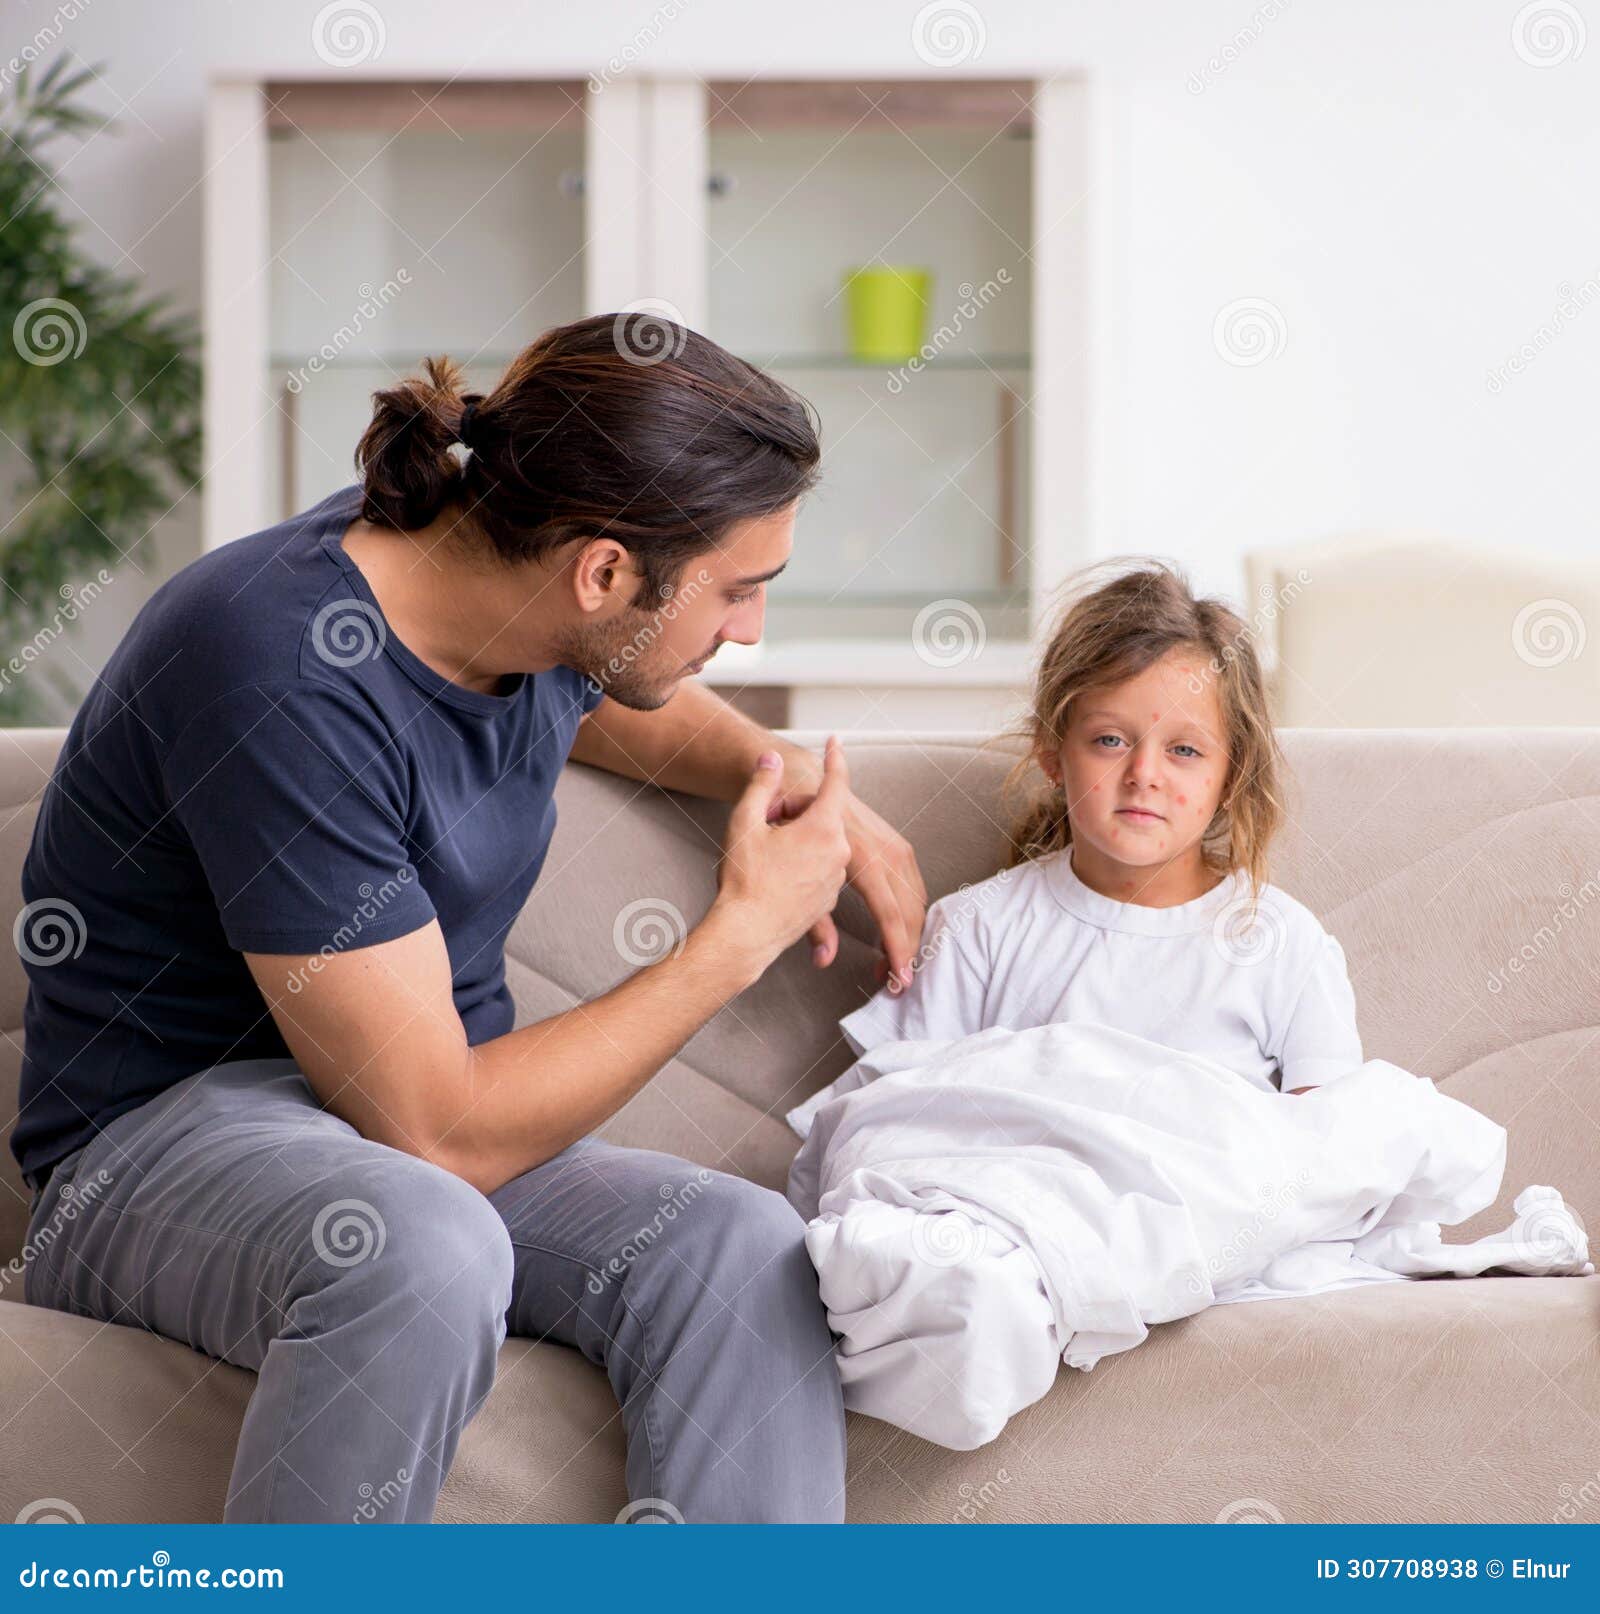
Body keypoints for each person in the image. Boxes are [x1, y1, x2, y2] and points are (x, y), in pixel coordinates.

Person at [11, 313, 927, 1523]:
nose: (750, 628)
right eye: (737, 590)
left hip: (393, 1140)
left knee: (745, 1252)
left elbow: (610, 690)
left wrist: (776, 770)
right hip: (157, 1149)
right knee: (419, 1245)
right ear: (603, 571)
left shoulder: (511, 592)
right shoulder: (279, 666)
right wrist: (744, 932)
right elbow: (435, 1133)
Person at [834, 557, 1364, 1098]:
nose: (1143, 774)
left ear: (1233, 776)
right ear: (1052, 753)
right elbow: (890, 1113)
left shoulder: (1283, 944)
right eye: (1110, 740)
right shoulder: (975, 929)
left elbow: (1333, 1134)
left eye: (1184, 750)